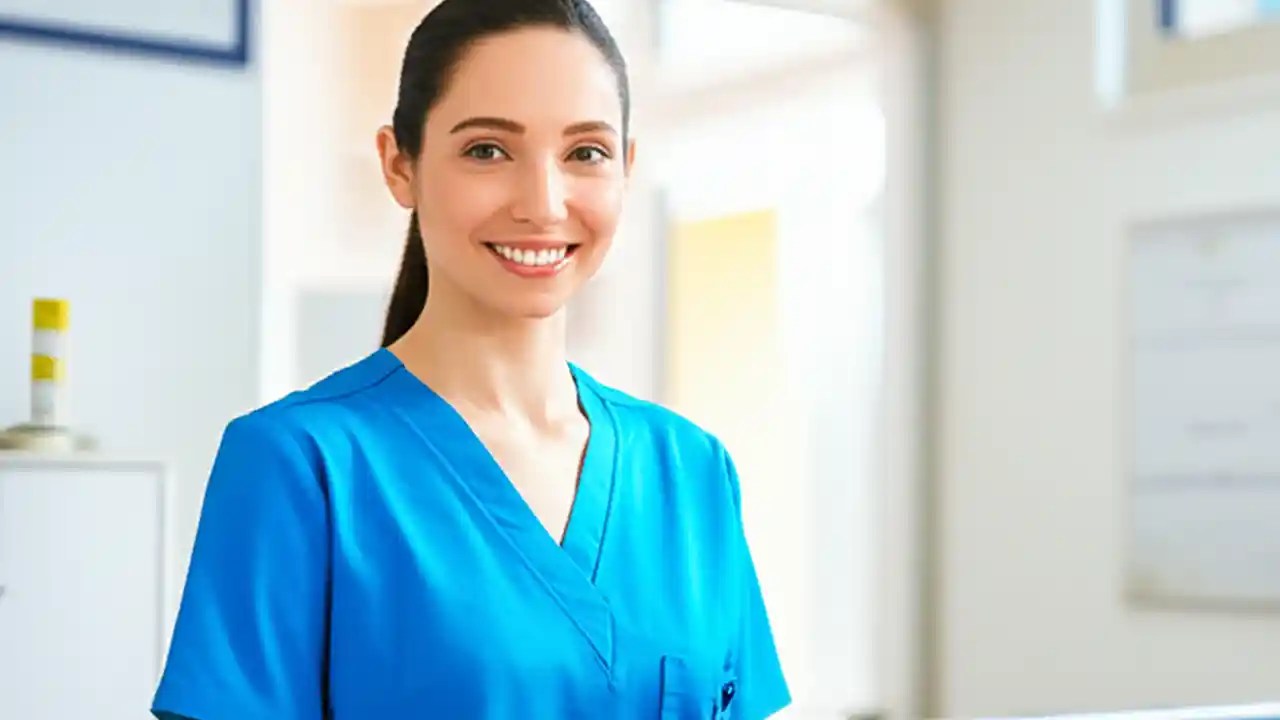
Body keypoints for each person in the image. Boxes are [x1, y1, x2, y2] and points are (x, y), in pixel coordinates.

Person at [150, 0, 789, 718]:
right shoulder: (301, 465)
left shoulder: (692, 469)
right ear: (401, 165)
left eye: (586, 153)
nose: (544, 204)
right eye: (488, 149)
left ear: (626, 168)